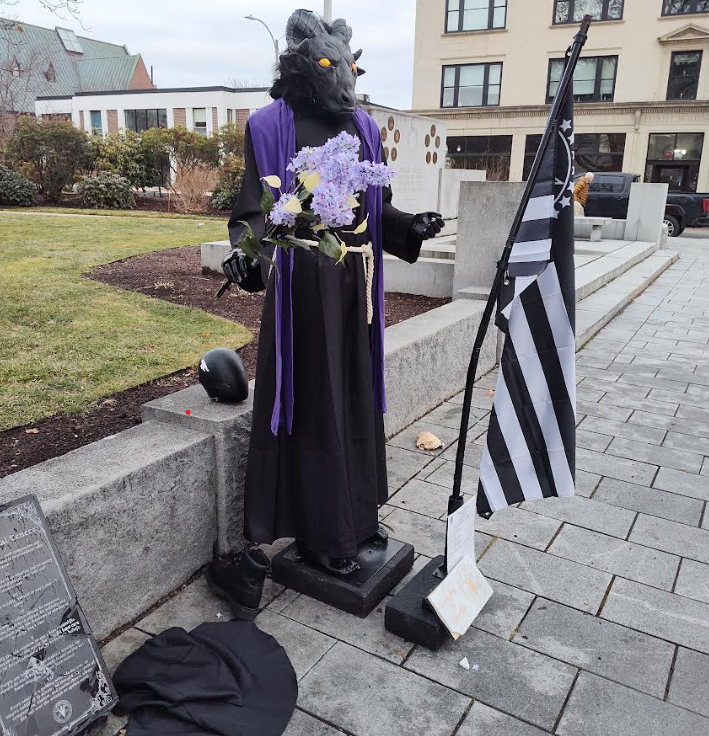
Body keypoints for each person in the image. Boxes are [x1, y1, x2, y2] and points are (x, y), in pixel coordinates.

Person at [207, 9, 445, 618]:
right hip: (303, 295)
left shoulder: (362, 127)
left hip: (356, 288)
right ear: (306, 69)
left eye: (350, 68)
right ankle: (322, 536)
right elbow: (253, 213)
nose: (344, 80)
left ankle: (357, 519)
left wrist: (406, 225)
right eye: (330, 68)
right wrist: (248, 255)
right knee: (317, 403)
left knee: (355, 398)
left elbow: (375, 203)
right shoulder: (267, 127)